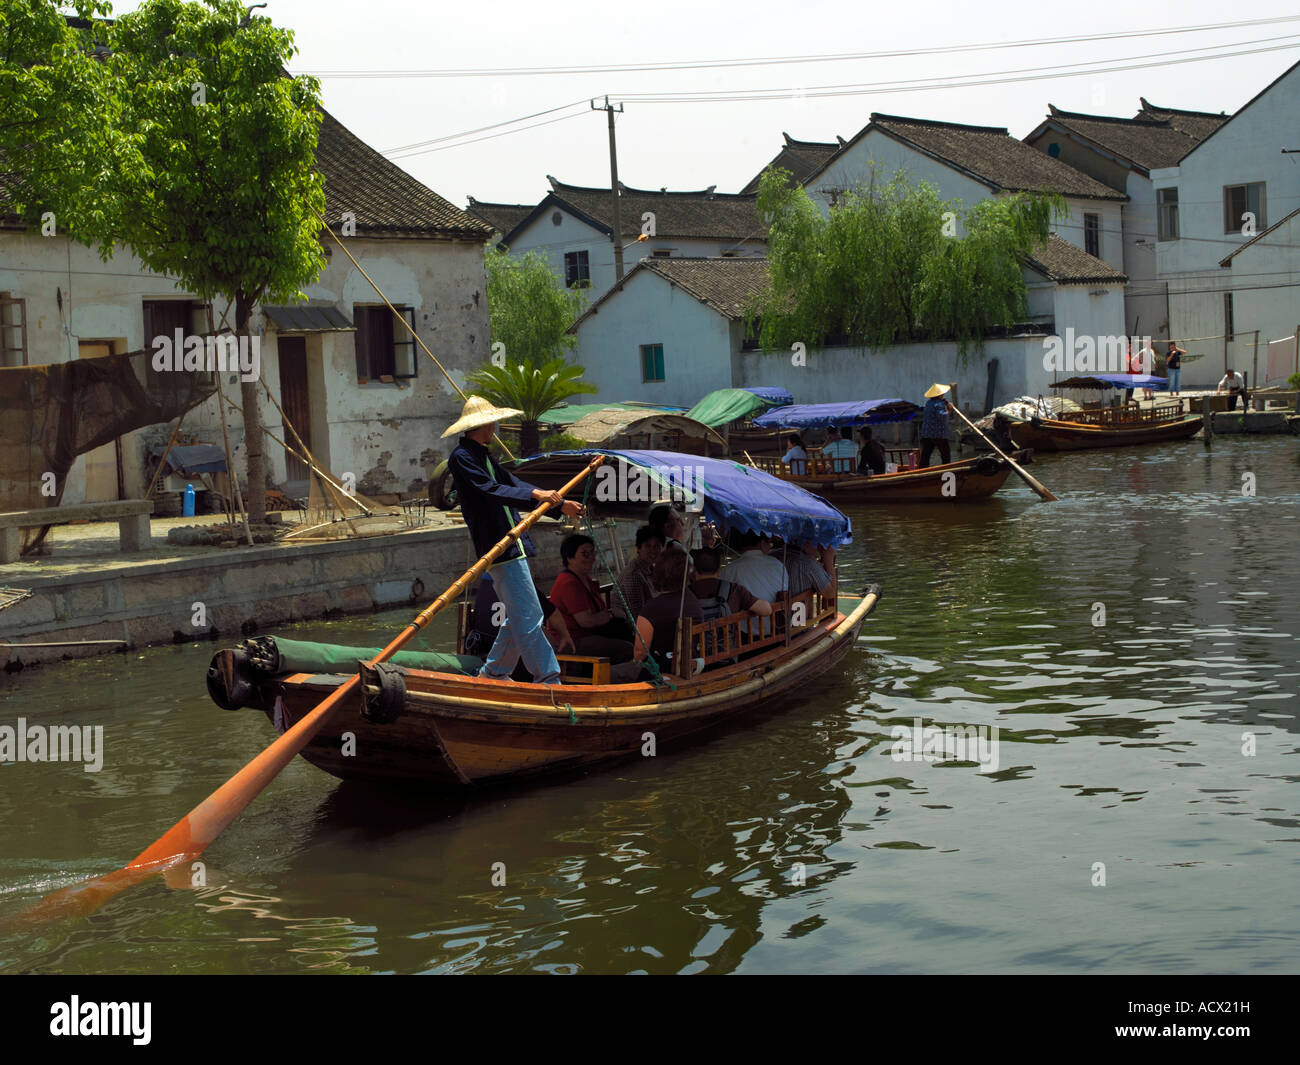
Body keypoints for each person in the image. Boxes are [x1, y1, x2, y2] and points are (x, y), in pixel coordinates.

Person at [444, 395, 582, 685]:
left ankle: (493, 673)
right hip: (498, 544)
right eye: (492, 422)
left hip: (512, 542)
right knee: (529, 616)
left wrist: (558, 504)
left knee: (519, 615)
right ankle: (547, 679)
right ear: (483, 425)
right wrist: (537, 495)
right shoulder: (462, 458)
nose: (495, 426)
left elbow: (513, 484)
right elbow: (489, 489)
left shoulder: (482, 454)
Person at [550, 533, 635, 662]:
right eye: (585, 554)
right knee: (629, 648)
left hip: (592, 634)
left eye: (592, 553)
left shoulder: (585, 580)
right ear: (570, 557)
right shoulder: (568, 583)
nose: (591, 558)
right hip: (575, 640)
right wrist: (611, 614)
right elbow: (586, 621)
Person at [467, 574, 574, 668]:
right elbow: (553, 614)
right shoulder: (520, 584)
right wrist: (565, 635)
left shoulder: (483, 586)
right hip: (516, 659)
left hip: (485, 651)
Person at [634, 548, 703, 679]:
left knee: (614, 673)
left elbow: (639, 653)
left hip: (664, 670)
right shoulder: (692, 598)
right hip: (692, 663)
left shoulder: (650, 610)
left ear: (657, 573)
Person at [722, 529, 789, 606]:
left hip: (744, 617)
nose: (770, 547)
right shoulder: (778, 565)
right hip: (774, 616)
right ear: (762, 543)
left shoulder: (729, 569)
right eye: (769, 544)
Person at [613, 525, 663, 623]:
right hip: (632, 629)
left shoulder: (650, 568)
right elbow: (638, 615)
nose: (653, 550)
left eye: (657, 546)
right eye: (648, 546)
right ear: (638, 548)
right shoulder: (634, 575)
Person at [919, 383, 953, 467]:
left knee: (926, 454)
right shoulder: (939, 403)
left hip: (927, 433)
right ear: (940, 394)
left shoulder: (928, 403)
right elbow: (942, 416)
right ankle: (946, 469)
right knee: (945, 454)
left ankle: (922, 470)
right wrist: (949, 410)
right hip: (938, 434)